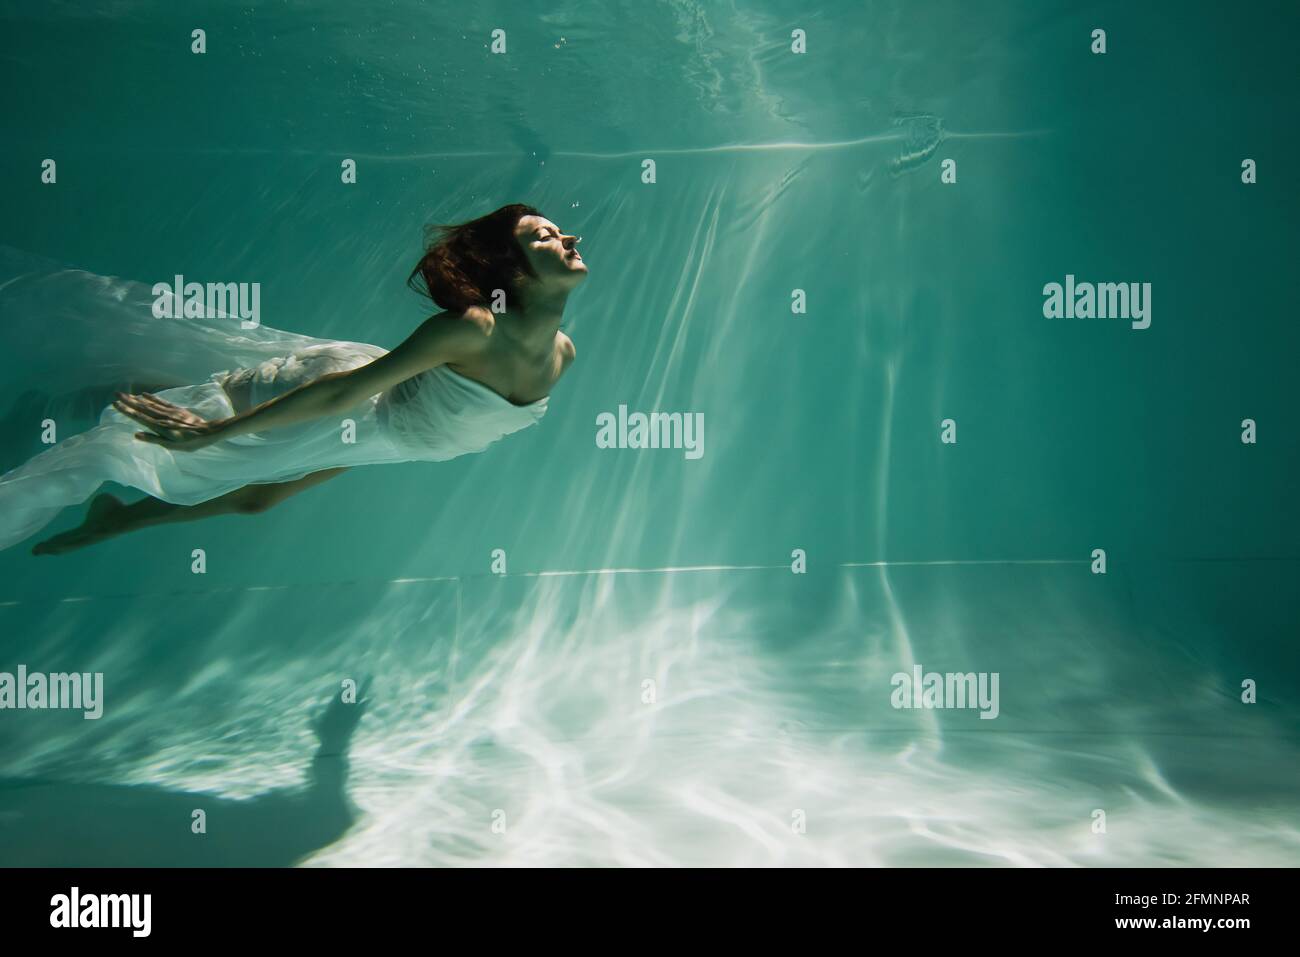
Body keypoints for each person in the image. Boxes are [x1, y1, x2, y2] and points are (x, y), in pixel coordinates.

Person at [0, 203, 586, 554]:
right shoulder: (472, 330)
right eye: (545, 236)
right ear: (511, 270)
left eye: (559, 233)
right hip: (354, 405)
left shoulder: (564, 353)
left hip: (386, 438)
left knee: (256, 499)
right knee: (181, 432)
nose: (569, 238)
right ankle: (88, 398)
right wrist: (211, 435)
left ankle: (119, 516)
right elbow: (342, 394)